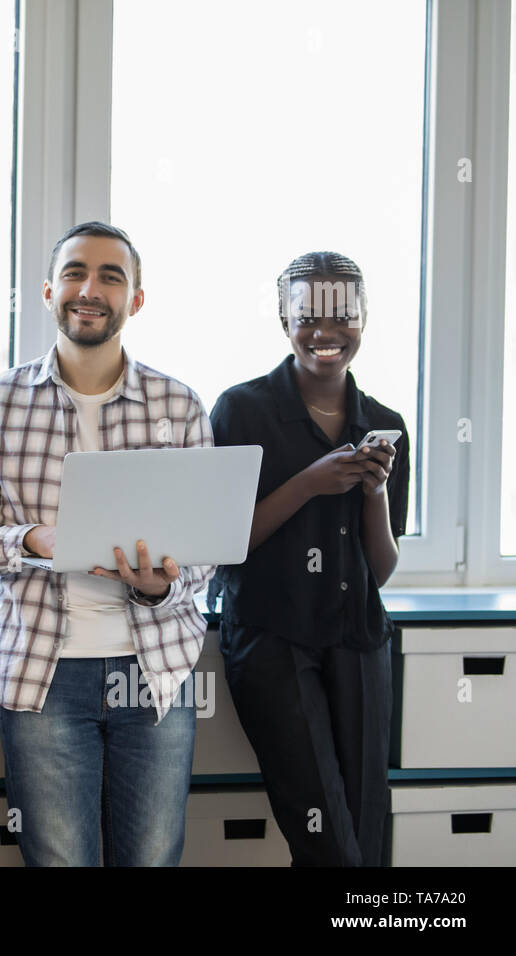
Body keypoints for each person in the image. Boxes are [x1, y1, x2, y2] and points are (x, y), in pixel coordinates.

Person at [0, 221, 213, 866]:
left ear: (135, 299)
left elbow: (207, 551)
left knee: (150, 861)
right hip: (42, 675)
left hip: (156, 675)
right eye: (75, 273)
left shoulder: (180, 404)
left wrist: (163, 584)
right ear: (48, 290)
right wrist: (31, 540)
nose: (90, 289)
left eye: (111, 277)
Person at [208, 251, 408, 866]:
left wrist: (372, 493)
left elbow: (379, 570)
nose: (326, 332)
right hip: (273, 641)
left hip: (359, 641)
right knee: (327, 843)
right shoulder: (241, 410)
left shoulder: (385, 422)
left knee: (367, 835)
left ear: (364, 318)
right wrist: (310, 483)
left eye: (343, 315)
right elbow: (221, 546)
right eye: (307, 316)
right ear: (283, 320)